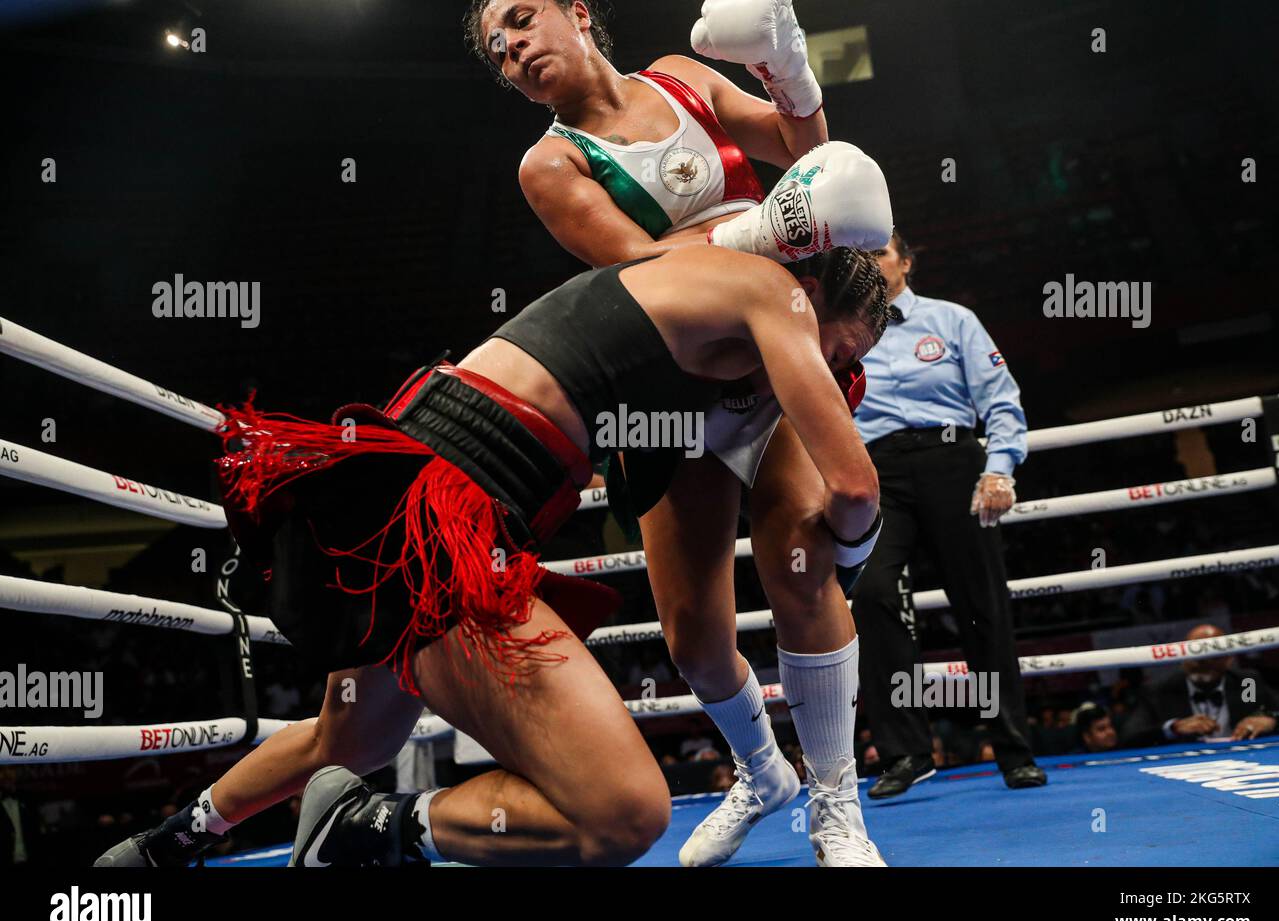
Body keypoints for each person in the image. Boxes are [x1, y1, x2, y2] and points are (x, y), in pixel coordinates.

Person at [102, 240, 891, 869]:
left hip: (398, 492)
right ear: (810, 293)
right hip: (445, 530)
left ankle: (165, 844)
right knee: (625, 813)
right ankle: (372, 823)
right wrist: (848, 558)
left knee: (349, 739)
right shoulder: (772, 292)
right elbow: (854, 488)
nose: (834, 371)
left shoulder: (677, 261)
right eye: (838, 350)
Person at [469, 0, 893, 867]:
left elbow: (811, 161)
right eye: (496, 49)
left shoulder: (684, 77)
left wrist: (790, 70)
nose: (513, 47)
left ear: (577, 13)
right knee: (694, 640)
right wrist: (762, 228)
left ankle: (835, 807)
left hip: (773, 356)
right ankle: (759, 770)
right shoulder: (551, 164)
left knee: (801, 567)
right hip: (668, 392)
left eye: (521, 18)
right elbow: (646, 278)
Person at [850, 230, 1048, 799]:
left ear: (906, 263)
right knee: (871, 593)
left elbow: (1001, 401)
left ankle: (1014, 750)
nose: (871, 263)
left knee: (981, 602)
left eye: (881, 252)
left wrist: (1000, 468)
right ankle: (906, 752)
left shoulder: (952, 319)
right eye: (860, 257)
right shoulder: (834, 330)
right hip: (875, 472)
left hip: (954, 462)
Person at [1118, 624, 1279, 747]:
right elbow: (1129, 734)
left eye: (1211, 656)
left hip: (1248, 761)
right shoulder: (1162, 689)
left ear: (1229, 659)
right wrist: (1174, 728)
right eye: (1196, 656)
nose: (1202, 663)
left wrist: (1273, 720)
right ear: (1182, 659)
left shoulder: (1246, 683)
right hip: (1187, 766)